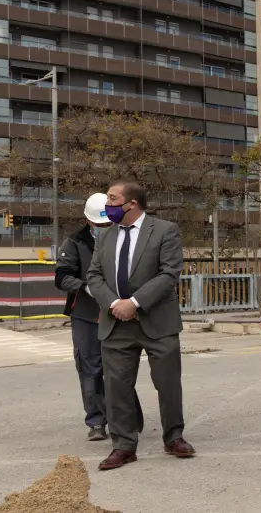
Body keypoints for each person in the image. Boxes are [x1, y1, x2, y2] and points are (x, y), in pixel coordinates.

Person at [86, 180, 194, 470]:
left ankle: (174, 437)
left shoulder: (164, 230)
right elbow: (94, 276)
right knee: (117, 387)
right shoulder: (104, 237)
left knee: (168, 384)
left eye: (111, 199)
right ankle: (123, 446)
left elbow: (169, 274)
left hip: (157, 322)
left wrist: (133, 303)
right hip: (115, 324)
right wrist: (114, 305)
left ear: (131, 204)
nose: (106, 205)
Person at [55, 193, 141, 441]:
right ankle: (96, 421)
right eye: (99, 226)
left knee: (118, 369)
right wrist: (86, 287)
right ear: (88, 221)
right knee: (90, 369)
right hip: (86, 315)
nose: (104, 229)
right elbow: (61, 277)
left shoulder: (125, 237)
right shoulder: (74, 243)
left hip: (117, 314)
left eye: (107, 225)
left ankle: (124, 418)